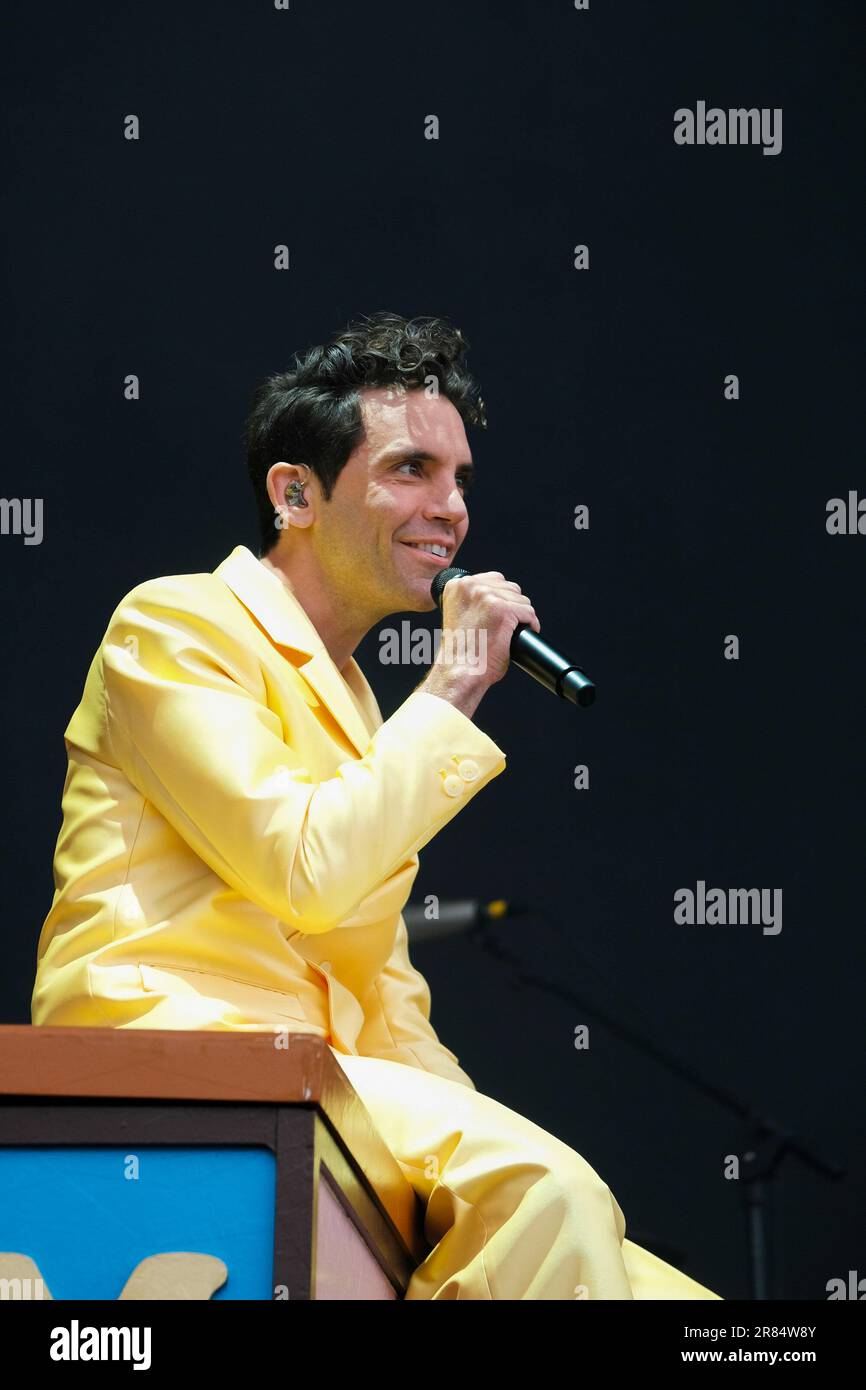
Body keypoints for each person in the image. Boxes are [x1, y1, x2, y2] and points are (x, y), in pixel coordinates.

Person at [32, 311, 721, 1300]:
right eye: (410, 469)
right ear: (295, 492)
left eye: (461, 480)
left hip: (327, 1088)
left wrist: (463, 1134)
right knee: (546, 1190)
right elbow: (304, 871)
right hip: (177, 1050)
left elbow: (381, 996)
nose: (450, 508)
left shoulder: (357, 703)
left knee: (673, 1300)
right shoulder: (175, 622)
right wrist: (448, 688)